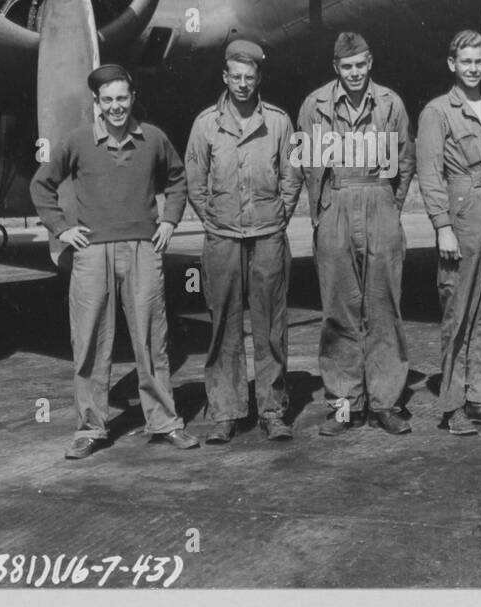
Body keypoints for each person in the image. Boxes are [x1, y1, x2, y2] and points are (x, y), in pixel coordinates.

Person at [30, 63, 198, 458]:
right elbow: (42, 184)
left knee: (151, 338)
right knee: (90, 339)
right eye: (108, 100)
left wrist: (170, 220)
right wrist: (61, 229)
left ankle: (164, 422)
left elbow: (178, 179)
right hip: (92, 253)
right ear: (97, 103)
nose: (116, 106)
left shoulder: (153, 138)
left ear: (132, 98)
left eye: (122, 98)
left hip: (143, 249)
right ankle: (91, 427)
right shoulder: (77, 141)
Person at [296, 32, 416, 436]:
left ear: (370, 63)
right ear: (336, 67)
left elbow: (405, 160)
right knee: (339, 310)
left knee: (384, 308)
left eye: (360, 65)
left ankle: (385, 402)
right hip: (336, 202)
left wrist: (391, 206)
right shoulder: (314, 105)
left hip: (379, 197)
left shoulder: (391, 103)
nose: (354, 73)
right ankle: (345, 404)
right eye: (346, 67)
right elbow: (304, 161)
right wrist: (320, 211)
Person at [185, 40, 301, 443]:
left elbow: (292, 176)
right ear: (225, 77)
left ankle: (273, 410)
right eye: (235, 76)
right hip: (223, 239)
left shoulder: (279, 122)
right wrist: (214, 221)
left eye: (249, 77)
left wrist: (278, 217)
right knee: (224, 326)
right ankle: (225, 411)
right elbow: (195, 182)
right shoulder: (205, 124)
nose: (242, 84)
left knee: (272, 327)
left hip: (268, 237)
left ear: (258, 78)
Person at [416, 30, 481, 436]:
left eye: (479, 61)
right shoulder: (436, 111)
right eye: (466, 61)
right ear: (452, 64)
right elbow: (430, 173)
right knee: (458, 308)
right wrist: (442, 226)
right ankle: (453, 405)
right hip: (463, 214)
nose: (473, 68)